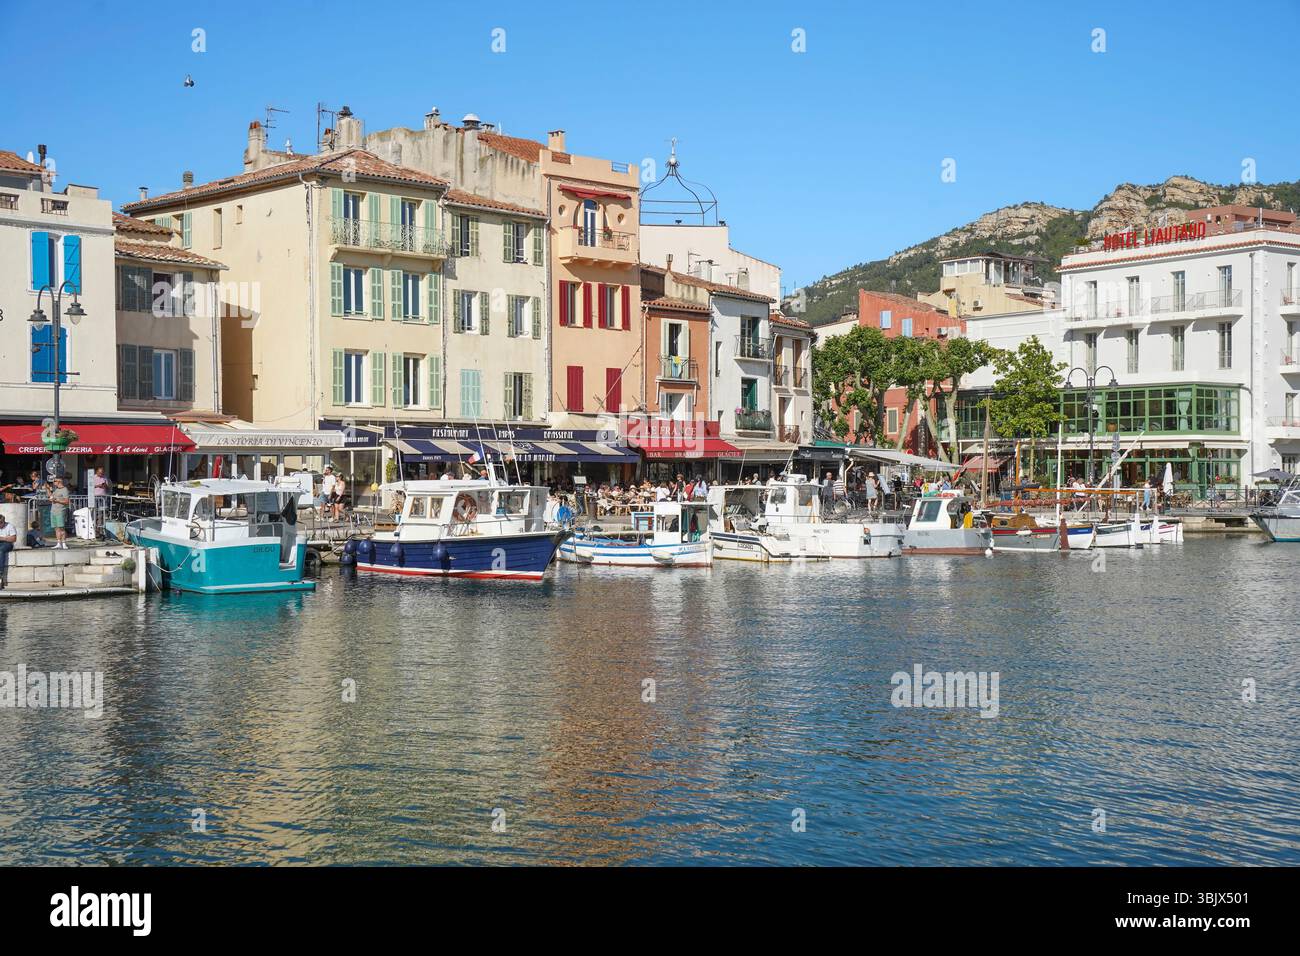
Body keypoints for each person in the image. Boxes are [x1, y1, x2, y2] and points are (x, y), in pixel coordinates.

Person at [49, 476, 70, 549]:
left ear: (59, 481)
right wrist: (47, 489)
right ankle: (58, 543)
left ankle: (64, 543)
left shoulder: (65, 490)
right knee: (56, 528)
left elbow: (67, 501)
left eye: (55, 481)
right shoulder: (56, 490)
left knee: (61, 528)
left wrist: (56, 500)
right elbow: (51, 496)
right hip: (53, 510)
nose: (54, 482)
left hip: (60, 510)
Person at [0, 513, 15, 588]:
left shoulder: (10, 526)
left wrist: (3, 538)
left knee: (1, 550)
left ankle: (0, 573)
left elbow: (13, 539)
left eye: (0, 524)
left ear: (3, 522)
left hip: (7, 544)